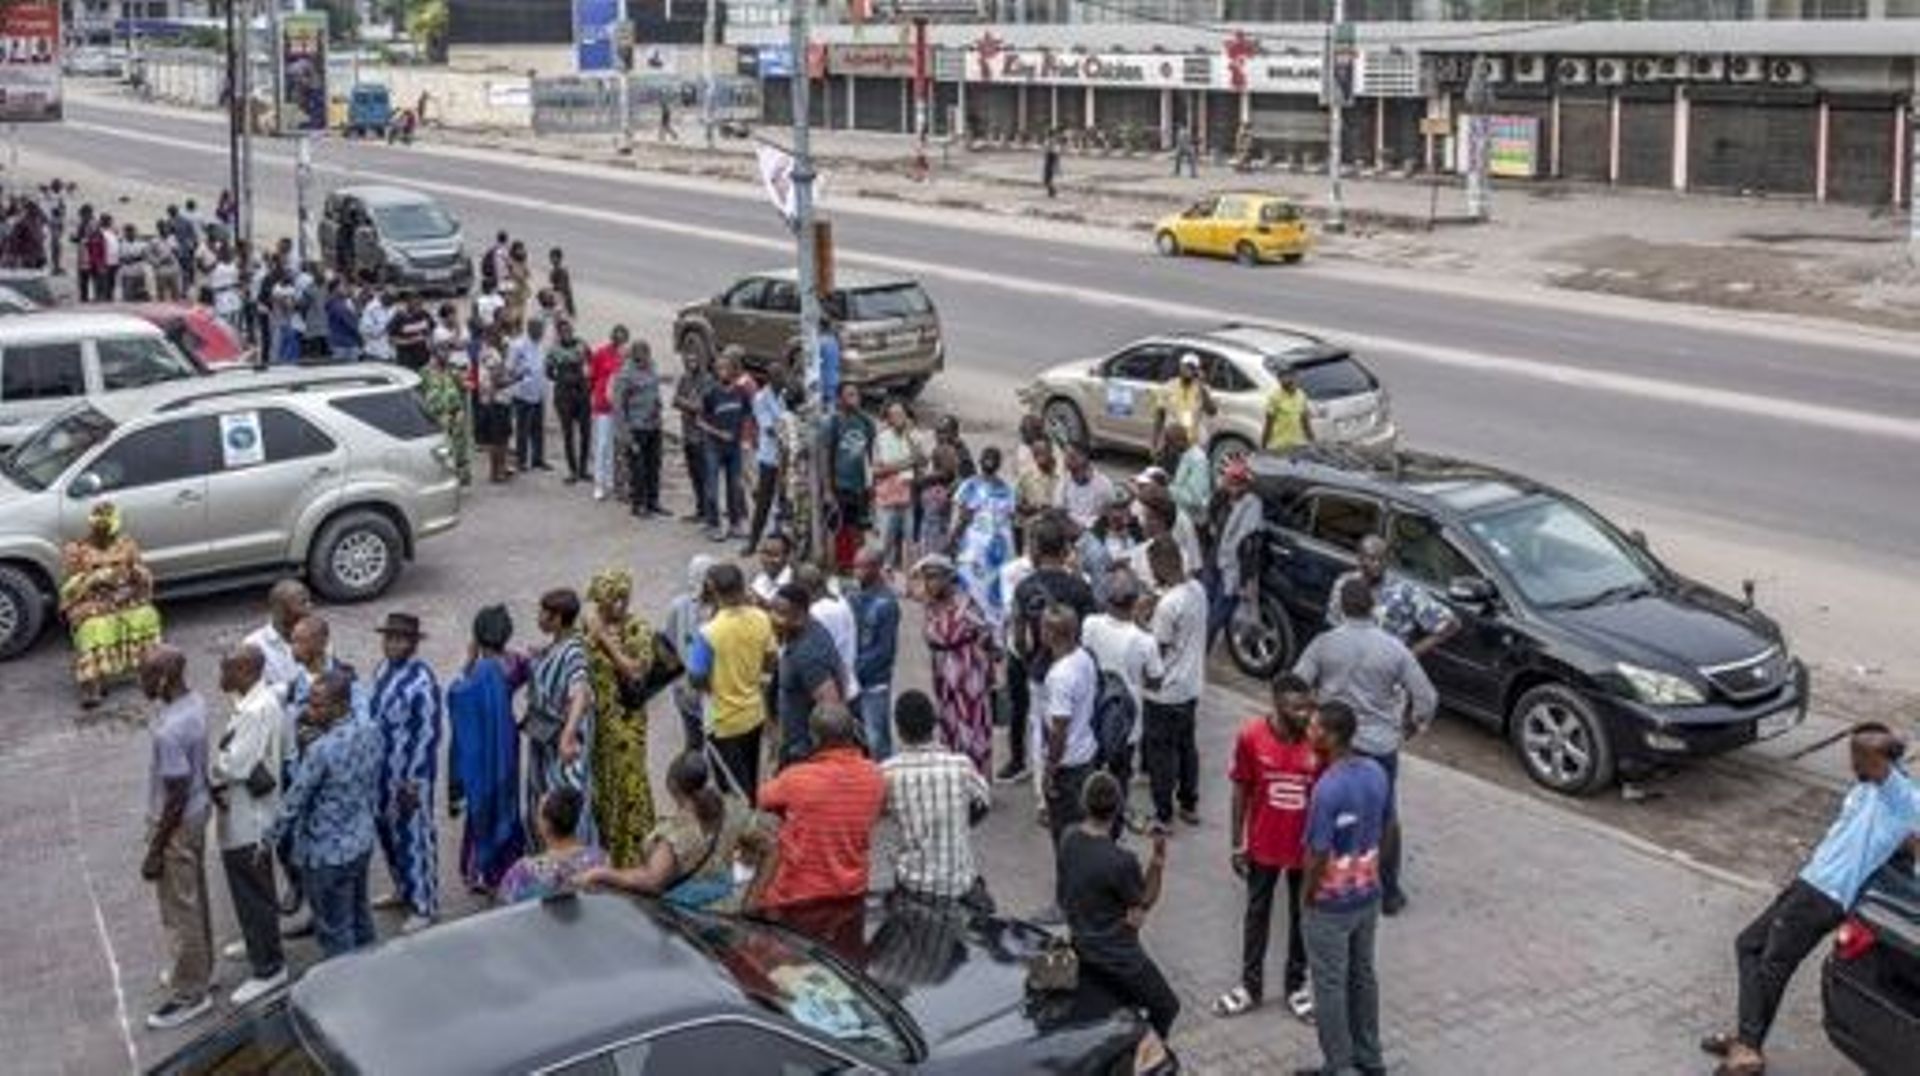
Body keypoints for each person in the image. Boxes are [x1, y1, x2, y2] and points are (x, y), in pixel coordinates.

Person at [1701, 723, 1917, 1076]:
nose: (1852, 762)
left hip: (1825, 896)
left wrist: (1888, 742)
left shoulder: (1899, 795)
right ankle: (1746, 1038)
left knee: (1773, 965)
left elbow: (1871, 747)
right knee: (1749, 945)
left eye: (1856, 756)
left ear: (1881, 758)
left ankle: (1748, 1051)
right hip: (1809, 884)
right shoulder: (1869, 791)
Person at [1295, 577, 1438, 917]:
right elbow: (1427, 698)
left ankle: (1321, 878)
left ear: (1340, 606)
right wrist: (1411, 727)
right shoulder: (1393, 648)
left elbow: (1297, 685)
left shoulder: (1324, 644)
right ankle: (1387, 891)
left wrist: (1313, 717)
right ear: (1372, 607)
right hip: (1379, 746)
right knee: (1386, 815)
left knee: (1324, 809)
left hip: (1333, 744)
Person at [1215, 673, 1321, 1022]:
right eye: (1295, 708)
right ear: (1275, 704)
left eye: (1307, 706)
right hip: (1262, 847)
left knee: (1301, 917)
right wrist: (1236, 843)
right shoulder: (1250, 737)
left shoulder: (1317, 742)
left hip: (1304, 852)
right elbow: (1240, 790)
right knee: (1256, 915)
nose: (1304, 714)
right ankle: (1250, 986)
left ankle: (1296, 987)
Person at [1299, 701, 1391, 1076]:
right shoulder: (1375, 771)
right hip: (1367, 894)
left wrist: (1308, 897)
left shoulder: (1328, 788)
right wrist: (1373, 871)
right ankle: (1370, 1058)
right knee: (1363, 976)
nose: (1309, 730)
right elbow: (1390, 825)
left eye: (1314, 727)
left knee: (1330, 987)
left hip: (1331, 905)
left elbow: (1317, 852)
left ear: (1331, 736)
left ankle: (1338, 1066)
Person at [1058, 771, 1180, 1042]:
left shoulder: (1068, 838)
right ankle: (1145, 1056)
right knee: (1167, 1006)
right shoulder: (1121, 860)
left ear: (1083, 803)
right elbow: (1145, 901)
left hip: (1080, 945)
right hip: (1116, 956)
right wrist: (1158, 858)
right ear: (1118, 808)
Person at [273, 668, 383, 959]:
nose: (310, 710)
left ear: (341, 705)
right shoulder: (371, 731)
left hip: (326, 854)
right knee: (360, 916)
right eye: (309, 702)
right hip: (360, 840)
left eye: (318, 705)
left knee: (335, 931)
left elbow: (294, 800)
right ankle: (373, 974)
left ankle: (344, 993)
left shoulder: (321, 749)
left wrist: (267, 840)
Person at [139, 646, 214, 1030]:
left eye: (146, 676)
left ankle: (190, 993)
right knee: (193, 897)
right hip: (198, 814)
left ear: (165, 679)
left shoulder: (169, 730)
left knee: (179, 910)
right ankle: (201, 969)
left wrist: (155, 849)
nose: (141, 683)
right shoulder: (195, 701)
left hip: (177, 825)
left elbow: (176, 793)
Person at [209, 644, 288, 1007]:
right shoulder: (256, 702)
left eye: (227, 670)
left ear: (245, 673)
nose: (221, 677)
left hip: (249, 819)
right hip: (247, 814)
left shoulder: (256, 710)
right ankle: (259, 942)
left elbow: (235, 765)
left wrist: (217, 765)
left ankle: (269, 967)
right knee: (253, 889)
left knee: (252, 890)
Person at [749, 705, 887, 911]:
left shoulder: (796, 778)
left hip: (797, 896)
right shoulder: (876, 777)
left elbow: (762, 798)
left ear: (814, 739)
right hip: (852, 892)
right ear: (853, 733)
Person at [580, 750, 755, 910]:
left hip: (687, 919)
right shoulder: (733, 808)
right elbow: (769, 846)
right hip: (727, 907)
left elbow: (652, 881)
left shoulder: (675, 834)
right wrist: (752, 901)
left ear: (673, 788)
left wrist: (605, 874)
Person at [1008, 514, 1098, 787]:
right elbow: (1091, 631)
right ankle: (1076, 780)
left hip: (1040, 669)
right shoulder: (1081, 587)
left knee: (1040, 730)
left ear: (1036, 549)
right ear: (1064, 550)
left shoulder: (1024, 589)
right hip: (1076, 666)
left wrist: (1029, 659)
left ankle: (1042, 792)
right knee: (1078, 724)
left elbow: (1019, 637)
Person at [446, 604, 527, 894]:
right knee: (506, 800)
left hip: (482, 749)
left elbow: (456, 695)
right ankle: (507, 868)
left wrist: (468, 660)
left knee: (481, 804)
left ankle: (483, 872)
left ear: (477, 637)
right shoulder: (516, 662)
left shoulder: (480, 671)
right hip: (507, 741)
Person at [368, 613, 442, 933]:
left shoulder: (422, 682)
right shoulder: (382, 671)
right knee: (388, 835)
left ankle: (425, 905)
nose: (392, 644)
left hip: (409, 779)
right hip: (380, 775)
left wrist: (414, 780)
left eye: (400, 639)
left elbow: (429, 735)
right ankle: (402, 889)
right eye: (389, 638)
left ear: (413, 644)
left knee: (415, 839)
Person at [883, 690, 992, 905]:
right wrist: (961, 822)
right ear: (934, 725)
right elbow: (984, 802)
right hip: (959, 885)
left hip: (913, 885)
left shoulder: (887, 773)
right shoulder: (961, 765)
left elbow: (876, 814)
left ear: (899, 729)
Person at [582, 569, 656, 869]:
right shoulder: (589, 625)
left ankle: (634, 853)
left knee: (629, 782)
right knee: (604, 782)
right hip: (599, 721)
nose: (600, 608)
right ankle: (607, 846)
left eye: (607, 602)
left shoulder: (638, 628)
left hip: (626, 722)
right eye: (597, 602)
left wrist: (604, 641)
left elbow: (635, 671)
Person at [60, 501, 163, 708]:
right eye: (101, 530)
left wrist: (134, 578)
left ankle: (150, 671)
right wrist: (93, 579)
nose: (106, 534)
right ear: (94, 527)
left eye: (110, 530)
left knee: (146, 614)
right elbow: (67, 588)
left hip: (124, 596)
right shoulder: (78, 550)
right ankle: (92, 683)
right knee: (92, 626)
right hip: (92, 599)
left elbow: (144, 575)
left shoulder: (127, 544)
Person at [688, 564, 775, 800]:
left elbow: (695, 677)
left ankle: (747, 831)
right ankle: (753, 821)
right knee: (750, 776)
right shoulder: (762, 618)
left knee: (733, 789)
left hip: (723, 720)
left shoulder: (708, 632)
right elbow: (770, 660)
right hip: (754, 713)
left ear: (712, 590)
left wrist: (713, 686)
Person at [1080, 568, 1163, 809]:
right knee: (1120, 774)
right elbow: (1156, 682)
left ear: (1106, 598)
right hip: (1127, 718)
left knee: (1092, 767)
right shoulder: (1145, 640)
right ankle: (1115, 822)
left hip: (1094, 710)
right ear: (1136, 601)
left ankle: (1090, 813)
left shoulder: (1090, 625)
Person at [1142, 535, 1209, 827]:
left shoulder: (1168, 605)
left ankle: (1162, 814)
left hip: (1164, 692)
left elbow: (1157, 650)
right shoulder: (1198, 590)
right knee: (1186, 747)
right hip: (1191, 687)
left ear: (1159, 564)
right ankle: (1189, 803)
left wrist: (1141, 623)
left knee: (1161, 755)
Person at [913, 554, 996, 778]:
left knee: (972, 728)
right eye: (926, 578)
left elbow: (988, 637)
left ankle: (978, 783)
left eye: (933, 577)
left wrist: (986, 668)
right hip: (942, 675)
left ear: (949, 578)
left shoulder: (966, 604)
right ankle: (955, 781)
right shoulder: (931, 606)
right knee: (948, 726)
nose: (929, 583)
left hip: (968, 674)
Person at [526, 589, 597, 849]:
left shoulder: (574, 652)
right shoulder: (560, 643)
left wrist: (568, 735)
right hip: (547, 741)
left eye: (544, 613)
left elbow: (581, 692)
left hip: (563, 746)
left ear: (557, 619)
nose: (539, 618)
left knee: (564, 810)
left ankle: (571, 869)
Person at [1325, 535, 1461, 660]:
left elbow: (1451, 624)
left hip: (1384, 671)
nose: (1378, 564)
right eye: (1372, 558)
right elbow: (1334, 623)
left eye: (1382, 559)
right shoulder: (1343, 583)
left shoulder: (1405, 591)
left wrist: (1410, 654)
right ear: (1360, 559)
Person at [1040, 603, 1102, 859]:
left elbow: (1059, 731)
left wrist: (1050, 769)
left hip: (1068, 766)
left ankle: (1068, 894)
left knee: (1064, 837)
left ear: (1052, 634)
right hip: (1086, 755)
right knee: (1082, 831)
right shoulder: (1084, 657)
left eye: (1043, 627)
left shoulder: (1061, 676)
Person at [769, 583, 847, 767]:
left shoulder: (808, 655)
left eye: (781, 613)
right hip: (792, 746)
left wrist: (818, 758)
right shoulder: (801, 633)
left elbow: (831, 708)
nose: (773, 618)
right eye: (773, 610)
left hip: (803, 754)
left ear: (799, 615)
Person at [949, 445, 1018, 635]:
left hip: (999, 552)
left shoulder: (1007, 489)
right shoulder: (970, 485)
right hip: (976, 549)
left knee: (991, 593)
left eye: (993, 458)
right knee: (971, 587)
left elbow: (1011, 520)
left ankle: (991, 634)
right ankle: (971, 631)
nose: (989, 461)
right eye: (987, 457)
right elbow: (962, 516)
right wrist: (952, 539)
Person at [497, 787, 606, 904]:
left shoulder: (521, 873)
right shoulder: (600, 860)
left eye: (538, 814)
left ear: (545, 825)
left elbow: (504, 913)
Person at [849, 545, 901, 761]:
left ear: (877, 568)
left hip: (874, 683)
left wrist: (854, 671)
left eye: (864, 567)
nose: (857, 572)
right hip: (852, 681)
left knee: (876, 738)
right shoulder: (852, 595)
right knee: (855, 737)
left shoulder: (887, 603)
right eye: (856, 566)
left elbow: (885, 650)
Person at [663, 556, 716, 752]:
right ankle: (694, 778)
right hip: (688, 689)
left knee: (718, 744)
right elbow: (669, 645)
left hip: (717, 689)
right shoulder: (679, 607)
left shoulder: (723, 607)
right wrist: (679, 681)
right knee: (694, 740)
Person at [1211, 457, 1264, 650]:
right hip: (1214, 564)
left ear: (1246, 484)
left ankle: (1204, 650)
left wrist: (1246, 583)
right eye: (1230, 481)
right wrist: (1220, 492)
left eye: (1238, 482)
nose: (1233, 485)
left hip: (1232, 573)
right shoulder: (1223, 500)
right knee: (1207, 614)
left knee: (1214, 620)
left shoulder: (1252, 506)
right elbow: (1212, 520)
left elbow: (1249, 548)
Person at [699, 347, 751, 541]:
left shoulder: (741, 392)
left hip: (734, 448)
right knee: (712, 487)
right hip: (714, 447)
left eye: (726, 369)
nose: (723, 373)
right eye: (719, 369)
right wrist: (719, 433)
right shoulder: (711, 393)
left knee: (735, 487)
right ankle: (712, 524)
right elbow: (701, 420)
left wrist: (745, 439)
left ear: (733, 370)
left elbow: (747, 415)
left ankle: (735, 524)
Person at [826, 383, 877, 572]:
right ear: (840, 399)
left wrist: (872, 485)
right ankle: (838, 567)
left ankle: (859, 567)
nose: (854, 398)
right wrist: (829, 490)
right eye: (849, 395)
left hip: (860, 487)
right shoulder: (834, 422)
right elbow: (828, 458)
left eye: (856, 394)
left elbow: (873, 455)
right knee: (838, 529)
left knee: (859, 529)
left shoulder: (867, 423)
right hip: (840, 485)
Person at [611, 339, 666, 517]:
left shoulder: (652, 367)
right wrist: (625, 434)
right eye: (641, 353)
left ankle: (653, 502)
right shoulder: (625, 375)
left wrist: (659, 407)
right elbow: (618, 407)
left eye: (647, 353)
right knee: (638, 469)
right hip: (636, 428)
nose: (645, 357)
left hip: (654, 426)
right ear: (634, 355)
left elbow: (656, 390)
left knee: (654, 466)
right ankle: (638, 505)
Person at [872, 401, 923, 570]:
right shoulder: (881, 438)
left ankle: (908, 579)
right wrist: (904, 464)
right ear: (888, 418)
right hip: (887, 497)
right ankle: (882, 573)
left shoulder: (914, 437)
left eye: (902, 414)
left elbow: (921, 461)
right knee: (885, 542)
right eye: (895, 415)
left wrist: (909, 436)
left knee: (909, 541)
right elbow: (877, 471)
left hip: (908, 496)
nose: (899, 418)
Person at [743, 363, 787, 555]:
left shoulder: (786, 394)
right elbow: (768, 428)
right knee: (764, 500)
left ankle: (781, 540)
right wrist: (788, 430)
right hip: (770, 457)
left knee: (785, 499)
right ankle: (753, 542)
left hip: (787, 456)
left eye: (781, 375)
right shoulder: (761, 398)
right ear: (769, 379)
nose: (780, 379)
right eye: (776, 376)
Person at [244, 579, 311, 703]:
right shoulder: (254, 645)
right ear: (278, 610)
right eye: (302, 603)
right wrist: (294, 689)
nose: (309, 608)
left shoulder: (315, 635)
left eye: (309, 601)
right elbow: (252, 696)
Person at [417, 335, 472, 485]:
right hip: (438, 420)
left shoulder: (451, 371)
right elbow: (420, 399)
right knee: (441, 454)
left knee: (459, 451)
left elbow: (463, 388)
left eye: (448, 351)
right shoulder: (424, 373)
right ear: (434, 353)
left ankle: (459, 481)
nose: (447, 355)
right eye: (443, 351)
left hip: (456, 418)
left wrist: (464, 384)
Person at [547, 318, 593, 484]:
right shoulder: (554, 350)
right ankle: (572, 470)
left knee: (586, 433)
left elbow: (591, 362)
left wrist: (587, 382)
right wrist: (563, 378)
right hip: (564, 395)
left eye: (569, 330)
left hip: (581, 392)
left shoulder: (582, 345)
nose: (567, 333)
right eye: (563, 331)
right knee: (568, 434)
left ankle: (583, 469)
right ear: (559, 333)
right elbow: (548, 372)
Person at [672, 346, 715, 523]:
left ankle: (709, 511)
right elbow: (674, 400)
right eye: (688, 361)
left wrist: (685, 403)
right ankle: (699, 509)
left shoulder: (707, 380)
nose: (691, 364)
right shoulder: (684, 379)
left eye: (694, 361)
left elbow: (701, 407)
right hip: (688, 434)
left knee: (705, 476)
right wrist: (688, 404)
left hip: (702, 436)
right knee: (694, 475)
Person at [584, 325, 626, 501]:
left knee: (615, 447)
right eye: (616, 336)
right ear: (611, 336)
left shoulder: (626, 356)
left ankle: (611, 482)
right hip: (603, 406)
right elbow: (592, 379)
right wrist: (592, 401)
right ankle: (599, 484)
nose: (618, 340)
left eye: (622, 337)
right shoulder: (601, 353)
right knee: (602, 445)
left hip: (620, 409)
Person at [1153, 352, 1217, 462]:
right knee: (1171, 472)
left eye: (1192, 367)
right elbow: (1159, 415)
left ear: (1197, 370)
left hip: (1195, 443)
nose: (1188, 370)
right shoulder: (1169, 386)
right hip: (1173, 441)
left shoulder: (1203, 388)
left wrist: (1202, 387)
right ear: (1180, 367)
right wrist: (1155, 442)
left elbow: (1212, 411)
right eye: (1186, 366)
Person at [472, 326, 517, 483]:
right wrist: (514, 379)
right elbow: (497, 381)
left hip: (495, 399)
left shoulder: (488, 352)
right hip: (496, 400)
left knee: (500, 437)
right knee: (498, 439)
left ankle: (500, 469)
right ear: (491, 337)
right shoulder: (492, 354)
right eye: (499, 336)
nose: (502, 340)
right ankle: (496, 472)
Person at [508, 316, 550, 472]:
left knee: (538, 428)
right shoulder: (518, 345)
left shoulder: (541, 345)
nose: (542, 333)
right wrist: (523, 373)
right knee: (522, 429)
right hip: (523, 393)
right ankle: (521, 460)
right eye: (539, 329)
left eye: (542, 330)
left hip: (538, 391)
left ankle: (538, 459)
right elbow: (510, 368)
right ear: (530, 328)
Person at [1055, 443, 1115, 532]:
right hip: (1070, 529)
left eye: (1072, 457)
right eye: (1066, 457)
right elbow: (1058, 509)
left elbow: (1109, 511)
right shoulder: (1064, 481)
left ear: (1084, 457)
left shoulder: (1104, 484)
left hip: (1095, 531)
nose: (1067, 461)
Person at [1262, 370, 1315, 454]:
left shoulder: (1301, 395)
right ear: (1280, 382)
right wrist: (1264, 446)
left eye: (1292, 378)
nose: (1290, 382)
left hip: (1298, 444)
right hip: (1279, 445)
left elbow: (1305, 421)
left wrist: (1313, 441)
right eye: (1284, 379)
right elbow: (1268, 425)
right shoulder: (1274, 397)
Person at [388, 292, 434, 371]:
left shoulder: (424, 314)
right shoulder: (399, 317)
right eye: (415, 304)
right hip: (406, 360)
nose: (418, 306)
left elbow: (432, 330)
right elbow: (391, 339)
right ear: (408, 303)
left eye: (420, 304)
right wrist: (410, 341)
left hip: (424, 358)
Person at [750, 532, 795, 606]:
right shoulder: (759, 576)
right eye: (766, 553)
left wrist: (761, 603)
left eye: (775, 555)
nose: (769, 560)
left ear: (787, 556)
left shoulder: (792, 582)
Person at [324, 277, 361, 361]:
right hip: (344, 344)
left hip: (344, 342)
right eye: (343, 286)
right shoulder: (337, 305)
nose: (346, 288)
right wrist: (360, 334)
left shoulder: (342, 302)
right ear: (335, 289)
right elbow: (351, 323)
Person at [358, 286, 394, 363]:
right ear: (384, 295)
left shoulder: (393, 308)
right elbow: (364, 330)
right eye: (390, 296)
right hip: (374, 353)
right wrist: (386, 327)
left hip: (390, 353)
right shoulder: (371, 308)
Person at [547, 246, 576, 320]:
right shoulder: (554, 271)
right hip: (558, 300)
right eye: (551, 257)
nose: (552, 260)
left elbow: (565, 289)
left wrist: (570, 308)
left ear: (560, 258)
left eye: (554, 257)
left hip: (561, 301)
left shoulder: (562, 271)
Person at [1042, 129, 1062, 198]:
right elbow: (1057, 151)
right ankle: (1051, 191)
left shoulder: (1050, 141)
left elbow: (1052, 151)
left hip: (1050, 159)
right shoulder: (1052, 141)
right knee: (1047, 179)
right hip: (1050, 159)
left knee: (1047, 179)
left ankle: (1053, 191)